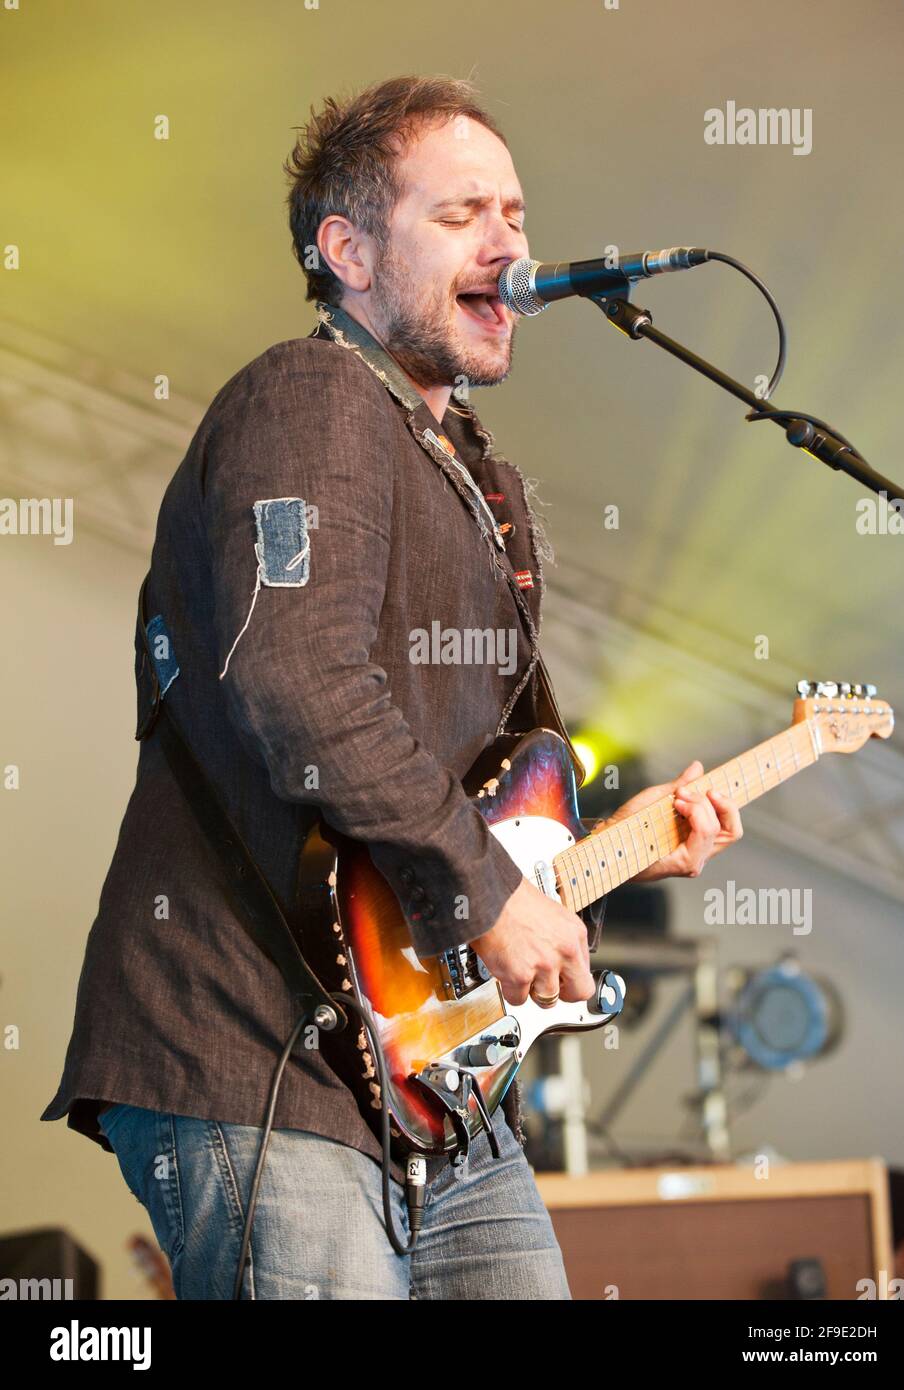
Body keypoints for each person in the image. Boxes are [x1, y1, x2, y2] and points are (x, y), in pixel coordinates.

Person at [40, 74, 743, 1300]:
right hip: (262, 1049)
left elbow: (478, 778)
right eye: (463, 211)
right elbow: (301, 684)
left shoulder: (481, 478)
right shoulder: (310, 399)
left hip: (431, 1082)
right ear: (347, 250)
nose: (511, 242)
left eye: (516, 212)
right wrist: (485, 891)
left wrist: (617, 847)